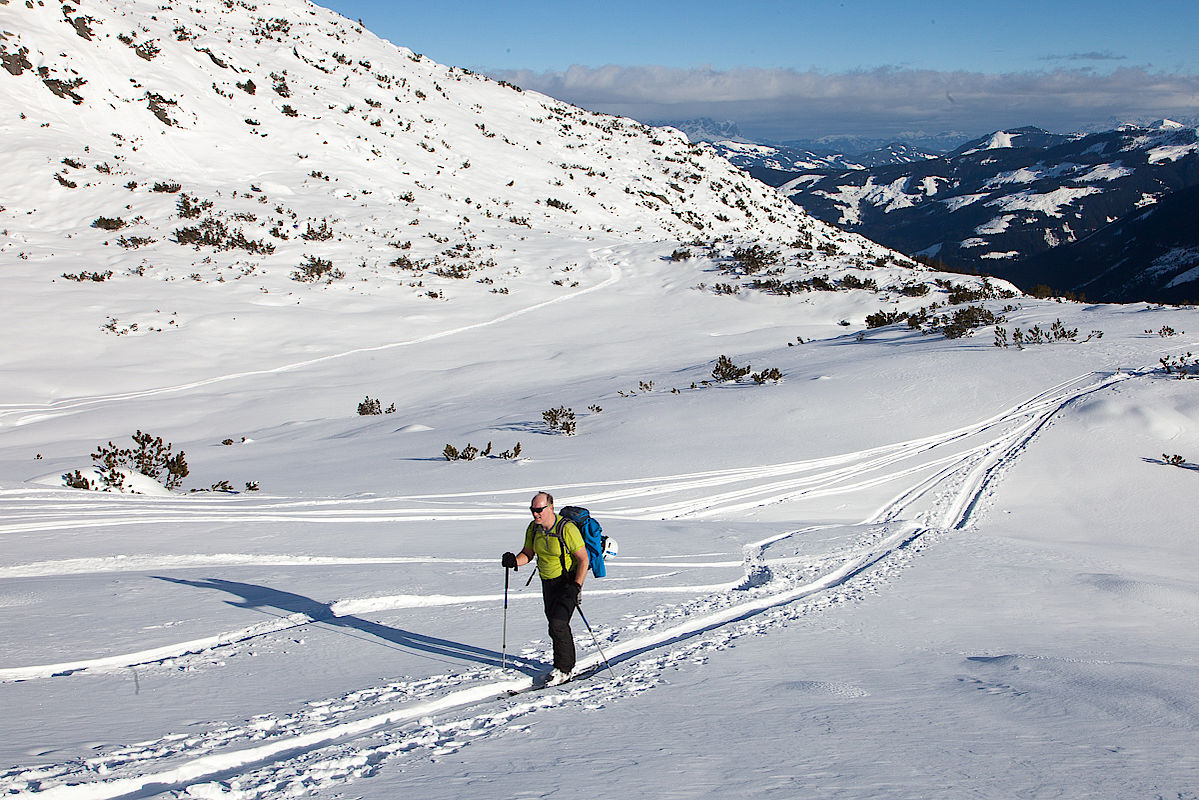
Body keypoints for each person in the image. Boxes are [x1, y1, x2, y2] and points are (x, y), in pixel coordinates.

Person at [502, 491, 588, 684]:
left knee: (558, 623)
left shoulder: (567, 529)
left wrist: (576, 585)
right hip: (547, 581)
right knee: (554, 624)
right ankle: (562, 663)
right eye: (533, 510)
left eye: (539, 510)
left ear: (550, 508)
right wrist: (513, 561)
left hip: (567, 582)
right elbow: (528, 553)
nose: (535, 514)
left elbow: (583, 559)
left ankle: (565, 669)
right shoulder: (534, 529)